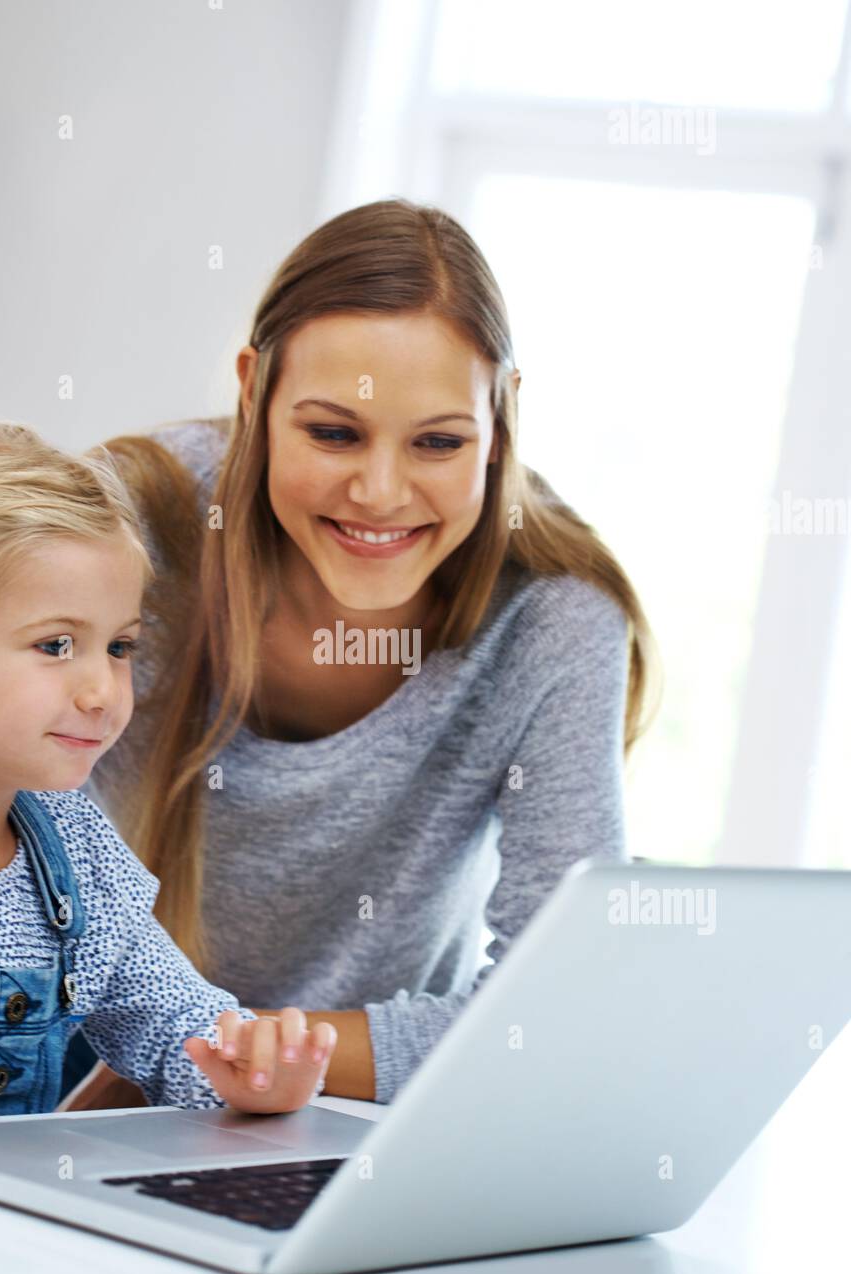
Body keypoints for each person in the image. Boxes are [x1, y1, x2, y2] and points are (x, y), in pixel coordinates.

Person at [65, 196, 660, 1113]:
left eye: (439, 442)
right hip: (54, 1078)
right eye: (333, 433)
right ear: (253, 392)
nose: (380, 492)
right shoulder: (130, 527)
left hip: (359, 1115)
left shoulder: (554, 618)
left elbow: (552, 1014)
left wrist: (205, 1048)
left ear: (501, 416)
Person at [0, 418, 336, 1120]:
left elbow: (171, 1025)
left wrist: (246, 1067)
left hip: (5, 1217)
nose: (102, 691)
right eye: (56, 644)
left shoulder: (74, 853)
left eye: (120, 646)